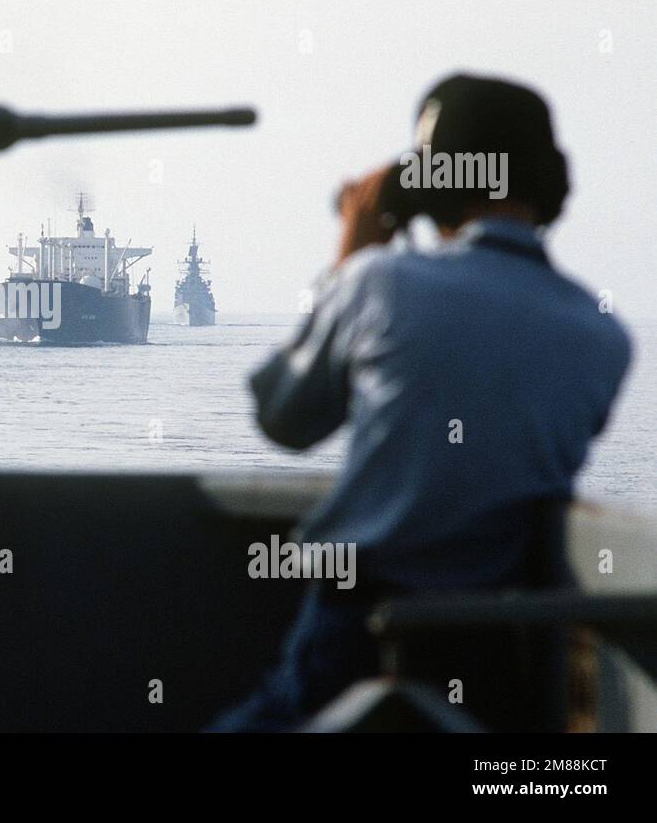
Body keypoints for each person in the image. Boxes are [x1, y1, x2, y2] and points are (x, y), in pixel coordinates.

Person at [209, 73, 632, 731]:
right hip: (499, 647)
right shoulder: (604, 338)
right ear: (552, 182)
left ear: (433, 182)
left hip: (354, 631)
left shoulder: (377, 284)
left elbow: (283, 417)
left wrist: (352, 249)